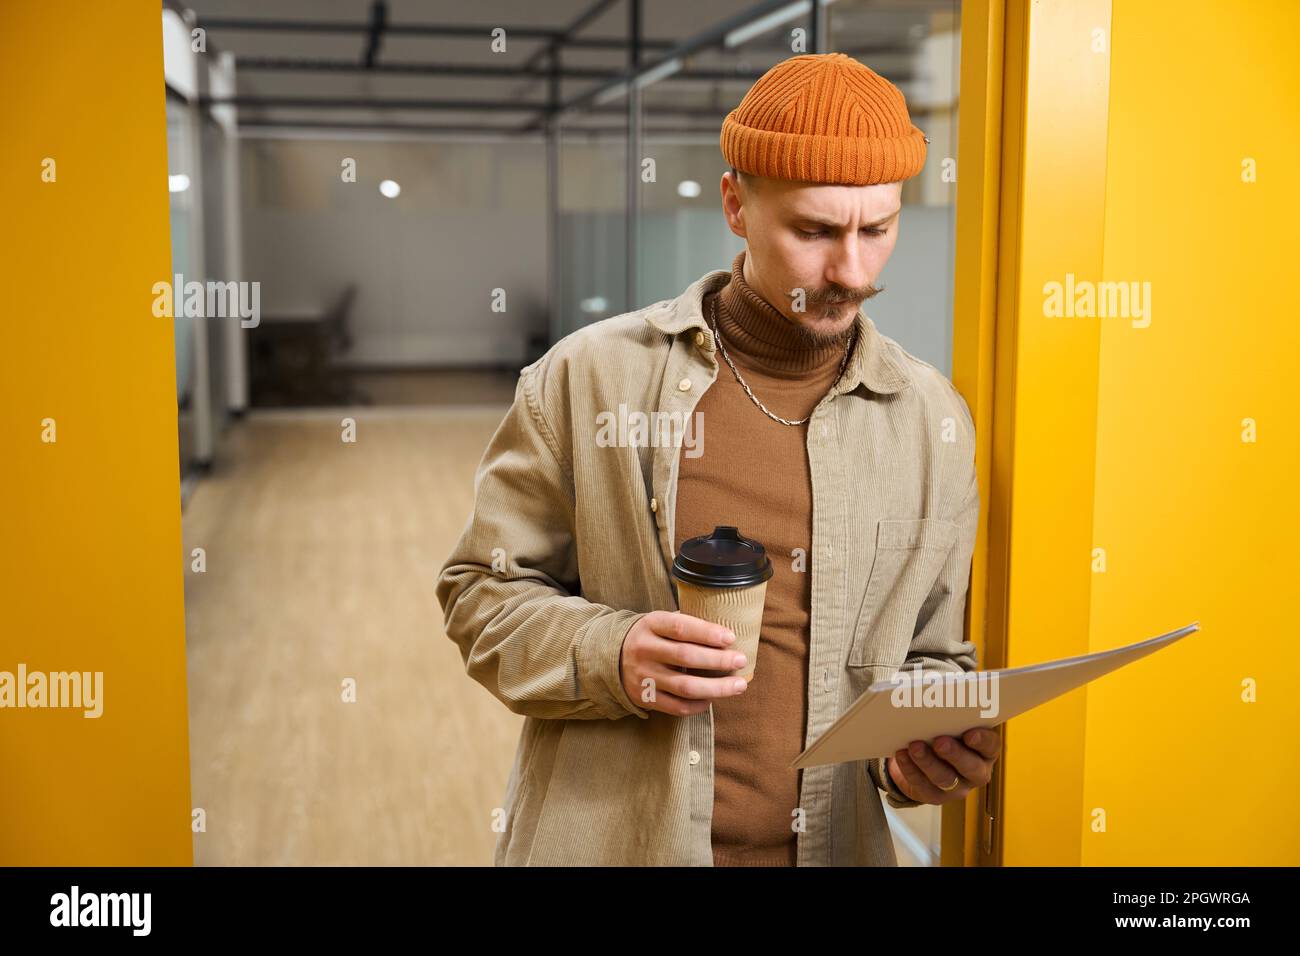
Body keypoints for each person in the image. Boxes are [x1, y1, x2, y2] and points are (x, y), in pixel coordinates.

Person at [436, 52, 999, 867]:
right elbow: (479, 592)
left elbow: (929, 659)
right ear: (735, 203)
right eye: (813, 231)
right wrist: (613, 654)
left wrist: (918, 756)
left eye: (877, 230)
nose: (849, 271)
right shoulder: (589, 378)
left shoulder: (931, 421)